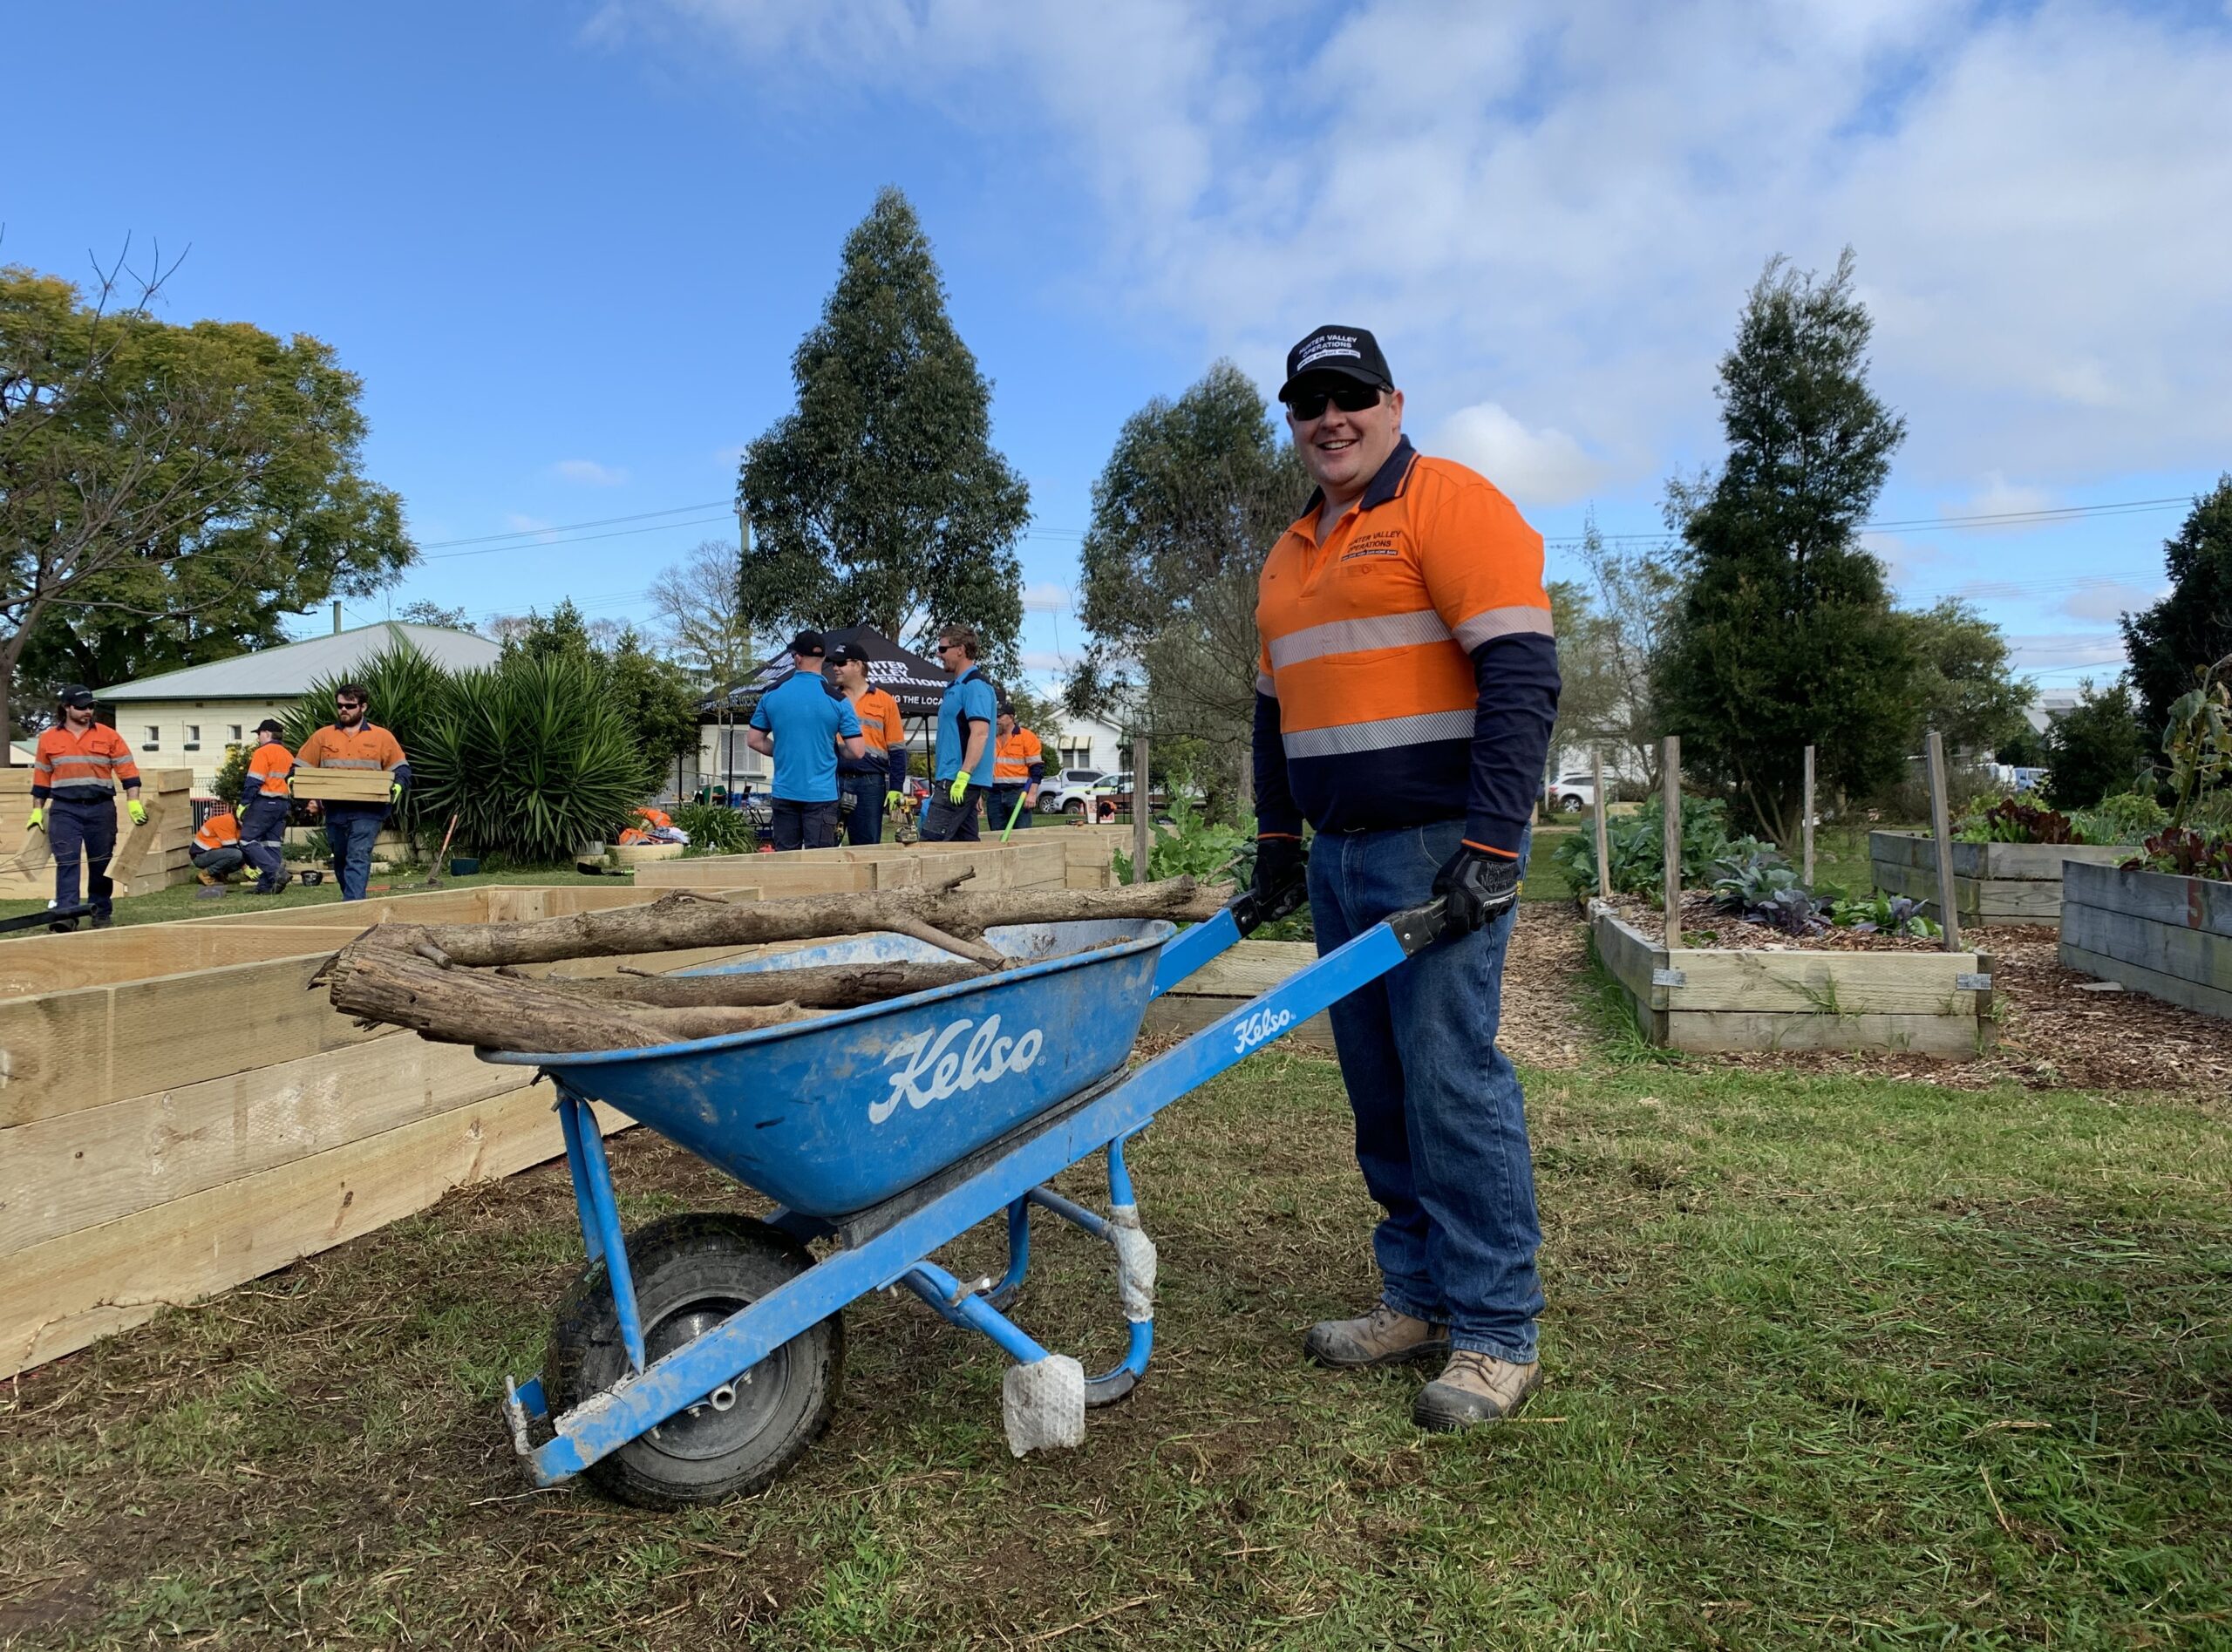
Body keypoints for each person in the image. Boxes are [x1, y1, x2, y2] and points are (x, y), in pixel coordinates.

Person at [1250, 324, 1560, 1433]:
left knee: (1448, 1079)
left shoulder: (1451, 503)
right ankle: (1417, 1299)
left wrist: (1492, 839)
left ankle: (1494, 1329)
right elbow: (1273, 713)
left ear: (1390, 400)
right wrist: (1276, 844)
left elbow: (1520, 673)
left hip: (1436, 844)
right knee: (1377, 1084)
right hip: (1337, 852)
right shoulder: (1287, 552)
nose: (1328, 419)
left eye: (1348, 397)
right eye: (1307, 402)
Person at [26, 684, 145, 931]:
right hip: (64, 809)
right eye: (81, 707)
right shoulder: (48, 739)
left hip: (100, 808)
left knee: (101, 862)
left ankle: (100, 911)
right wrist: (37, 809)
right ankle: (66, 915)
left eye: (90, 706)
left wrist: (133, 801)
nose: (87, 711)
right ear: (66, 708)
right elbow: (41, 779)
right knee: (67, 862)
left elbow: (129, 773)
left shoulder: (108, 735)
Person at [745, 630, 864, 850]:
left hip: (785, 790)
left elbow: (754, 740)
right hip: (822, 794)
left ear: (797, 657)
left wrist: (782, 749)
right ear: (823, 660)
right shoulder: (838, 699)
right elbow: (857, 751)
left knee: (786, 860)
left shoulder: (772, 694)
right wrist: (831, 750)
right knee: (819, 862)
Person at [296, 683, 410, 901]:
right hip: (335, 810)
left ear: (363, 707)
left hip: (369, 810)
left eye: (350, 705)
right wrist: (299, 786)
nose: (344, 710)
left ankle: (353, 905)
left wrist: (397, 786)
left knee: (358, 855)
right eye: (340, 706)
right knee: (341, 859)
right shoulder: (323, 737)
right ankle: (351, 899)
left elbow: (401, 769)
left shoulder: (381, 737)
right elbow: (299, 767)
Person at [922, 624, 997, 842]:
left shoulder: (975, 686)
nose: (938, 654)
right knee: (966, 847)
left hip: (957, 780)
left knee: (929, 846)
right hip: (953, 779)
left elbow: (980, 733)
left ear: (960, 650)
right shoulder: (956, 686)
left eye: (943, 649)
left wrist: (964, 776)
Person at [828, 645, 908, 846]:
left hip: (870, 783)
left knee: (867, 847)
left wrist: (896, 788)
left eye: (840, 663)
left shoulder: (885, 701)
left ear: (858, 665)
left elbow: (897, 750)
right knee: (825, 843)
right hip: (832, 779)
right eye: (833, 664)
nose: (835, 668)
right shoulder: (829, 699)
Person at [241, 719, 295, 895]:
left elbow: (254, 780)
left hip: (265, 802)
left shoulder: (263, 752)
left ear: (266, 733)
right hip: (282, 804)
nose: (258, 738)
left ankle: (276, 873)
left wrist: (244, 804)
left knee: (246, 840)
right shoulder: (288, 755)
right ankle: (268, 886)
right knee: (271, 844)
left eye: (259, 734)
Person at [988, 703, 1044, 832]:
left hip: (1018, 793)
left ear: (1011, 717)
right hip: (994, 794)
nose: (996, 720)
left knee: (1022, 834)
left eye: (1000, 716)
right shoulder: (991, 738)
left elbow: (1037, 768)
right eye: (995, 716)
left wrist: (1032, 794)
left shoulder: (1027, 737)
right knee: (996, 837)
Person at [189, 809, 247, 892]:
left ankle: (218, 875)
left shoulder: (237, 824)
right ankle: (205, 874)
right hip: (200, 856)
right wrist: (246, 868)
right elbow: (231, 847)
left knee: (242, 856)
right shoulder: (227, 821)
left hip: (211, 853)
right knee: (237, 855)